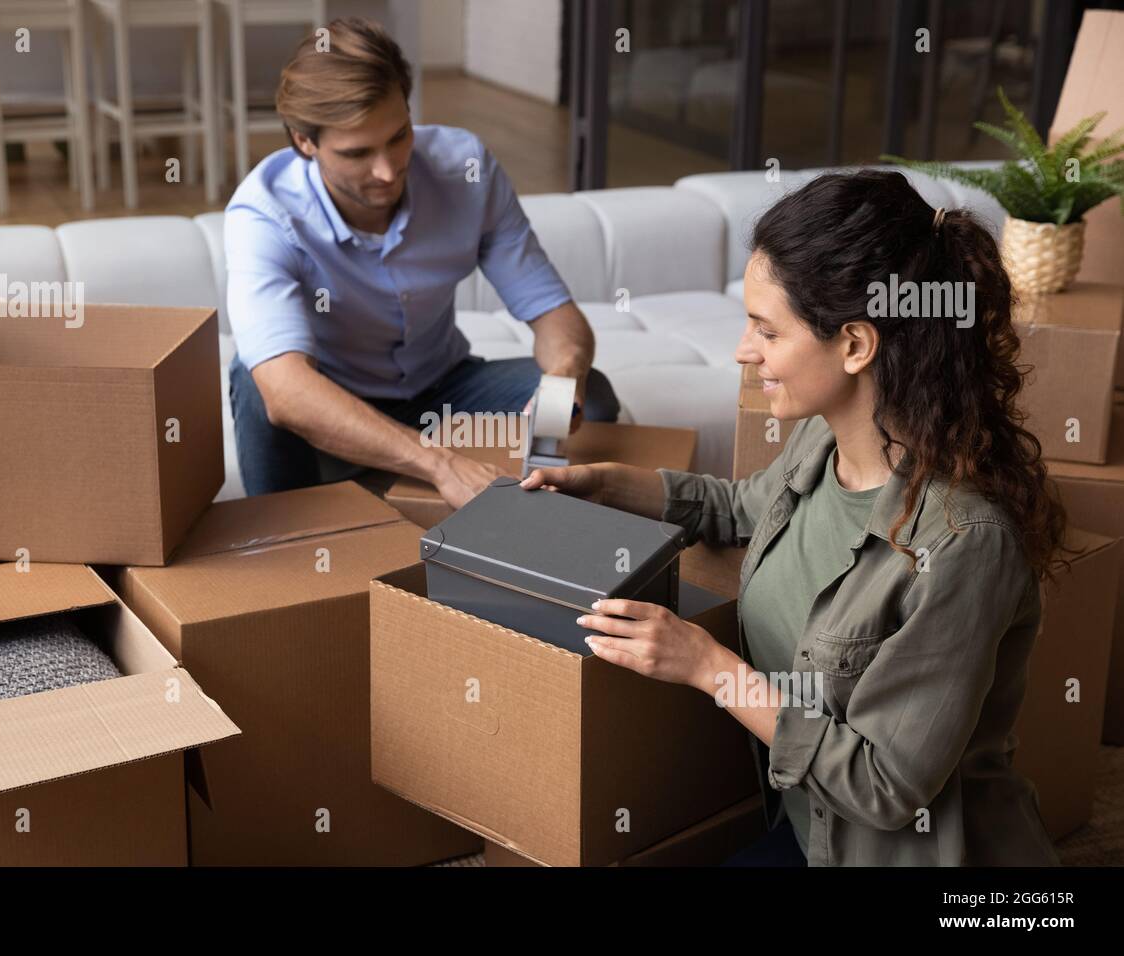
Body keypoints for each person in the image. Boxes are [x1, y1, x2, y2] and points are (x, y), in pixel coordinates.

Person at [521, 170, 1066, 866]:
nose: (743, 351)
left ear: (855, 345)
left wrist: (708, 667)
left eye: (766, 329)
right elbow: (740, 506)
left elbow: (885, 785)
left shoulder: (963, 544)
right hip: (807, 831)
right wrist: (607, 485)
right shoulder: (827, 440)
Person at [225, 17, 619, 503]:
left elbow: (553, 311)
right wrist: (440, 465)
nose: (387, 171)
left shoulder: (465, 169)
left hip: (443, 390)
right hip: (333, 405)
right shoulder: (264, 215)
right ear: (304, 141)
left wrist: (565, 374)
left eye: (398, 136)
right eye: (357, 153)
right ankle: (295, 552)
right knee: (254, 378)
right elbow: (286, 391)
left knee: (591, 394)